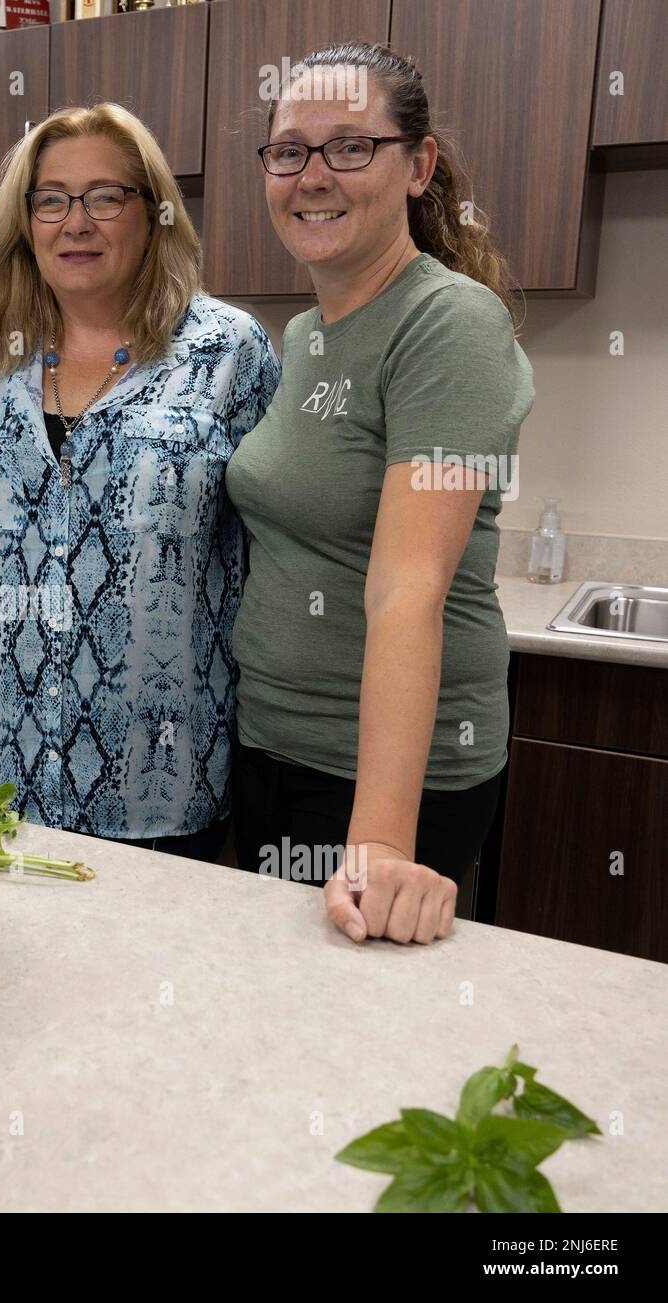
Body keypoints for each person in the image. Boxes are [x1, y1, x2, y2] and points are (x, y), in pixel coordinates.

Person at [225, 44, 535, 943]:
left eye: (349, 147)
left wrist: (382, 845)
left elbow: (408, 589)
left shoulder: (449, 322)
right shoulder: (308, 334)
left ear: (418, 166)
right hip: (272, 745)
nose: (313, 176)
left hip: (388, 779)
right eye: (290, 151)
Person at [0, 103, 280, 860]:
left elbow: (274, 552)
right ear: (25, 221)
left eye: (106, 196)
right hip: (3, 781)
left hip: (165, 790)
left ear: (153, 212)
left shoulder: (229, 352)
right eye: (52, 199)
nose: (77, 222)